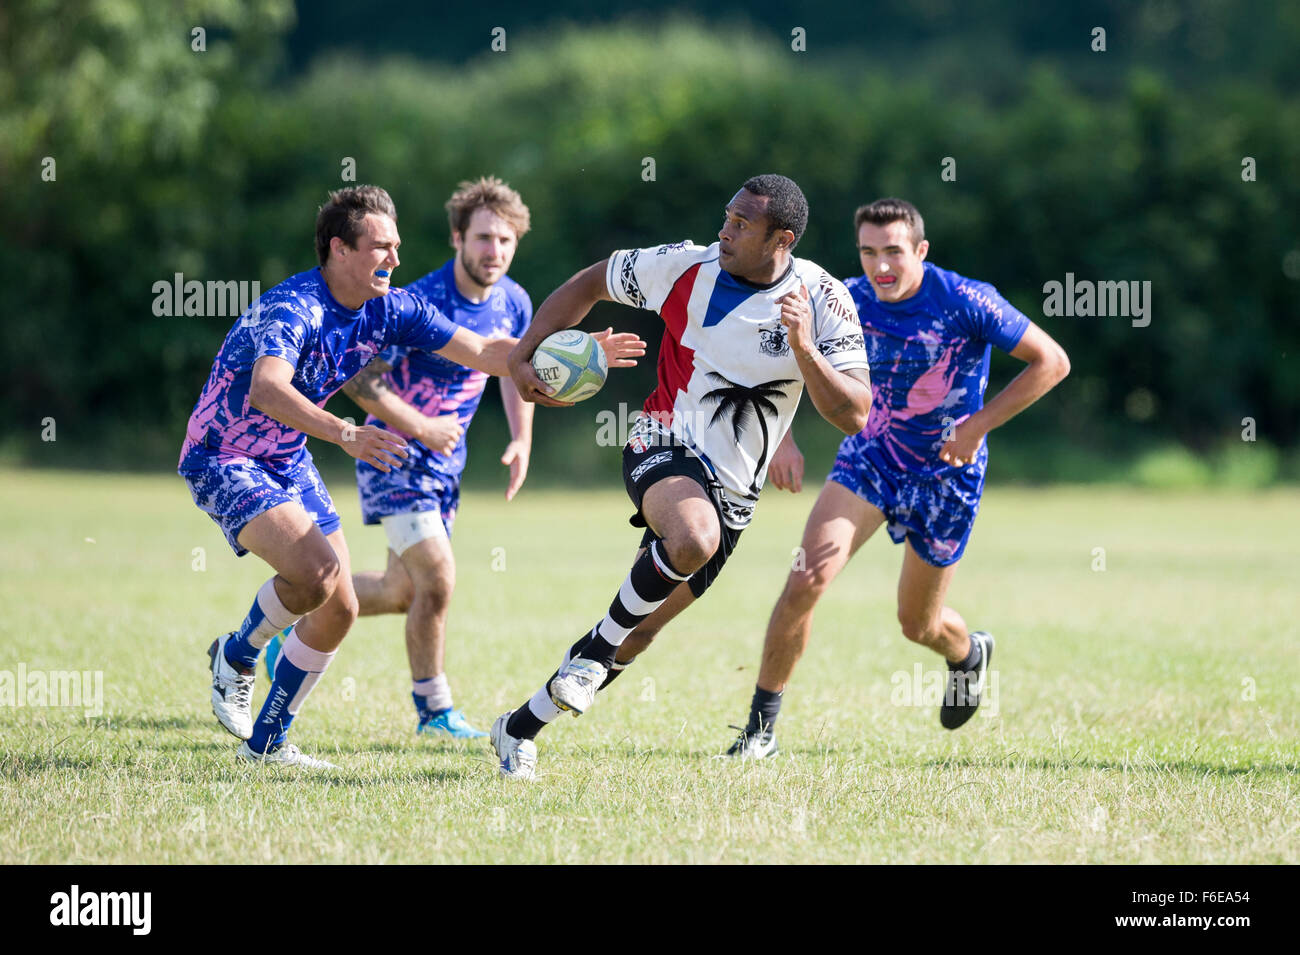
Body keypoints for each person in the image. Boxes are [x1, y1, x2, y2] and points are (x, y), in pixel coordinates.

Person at [180, 184, 642, 769]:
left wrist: (562, 351)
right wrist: (349, 433)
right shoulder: (294, 306)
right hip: (224, 453)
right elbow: (267, 389)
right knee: (319, 575)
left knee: (339, 606)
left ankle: (267, 740)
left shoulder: (392, 307)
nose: (396, 260)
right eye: (381, 248)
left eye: (397, 247)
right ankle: (240, 657)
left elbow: (483, 351)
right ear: (338, 250)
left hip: (287, 455)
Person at [489, 174, 873, 780]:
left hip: (735, 493)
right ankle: (591, 653)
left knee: (637, 636)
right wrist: (524, 350)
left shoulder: (823, 300)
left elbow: (854, 414)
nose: (725, 230)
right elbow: (592, 281)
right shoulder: (684, 267)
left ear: (783, 239)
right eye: (727, 216)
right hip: (661, 440)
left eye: (742, 225)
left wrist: (805, 350)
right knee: (693, 539)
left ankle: (517, 729)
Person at [702, 197, 1071, 756]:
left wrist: (975, 427)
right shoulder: (844, 299)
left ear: (920, 250)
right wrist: (784, 437)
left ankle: (966, 653)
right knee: (805, 583)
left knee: (916, 625)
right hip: (868, 459)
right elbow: (776, 361)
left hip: (947, 476)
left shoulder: (965, 300)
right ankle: (760, 733)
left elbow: (1052, 361)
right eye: (869, 252)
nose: (881, 267)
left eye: (894, 252)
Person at [342, 177, 536, 740]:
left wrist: (521, 439)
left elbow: (514, 376)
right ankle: (435, 711)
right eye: (481, 238)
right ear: (457, 237)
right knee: (441, 579)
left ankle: (293, 616)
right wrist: (420, 426)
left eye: (504, 240)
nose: (493, 251)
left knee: (403, 591)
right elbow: (359, 377)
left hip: (445, 467)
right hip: (392, 454)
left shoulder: (515, 302)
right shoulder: (419, 301)